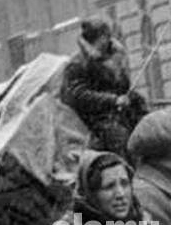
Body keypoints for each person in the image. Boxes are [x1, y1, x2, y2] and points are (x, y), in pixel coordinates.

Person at [61, 19, 149, 159]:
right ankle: (129, 171)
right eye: (105, 36)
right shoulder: (77, 64)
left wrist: (130, 97)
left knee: (150, 125)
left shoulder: (114, 57)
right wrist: (113, 100)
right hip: (95, 118)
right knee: (120, 139)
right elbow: (78, 95)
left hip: (120, 110)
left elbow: (123, 86)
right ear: (98, 38)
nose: (109, 40)